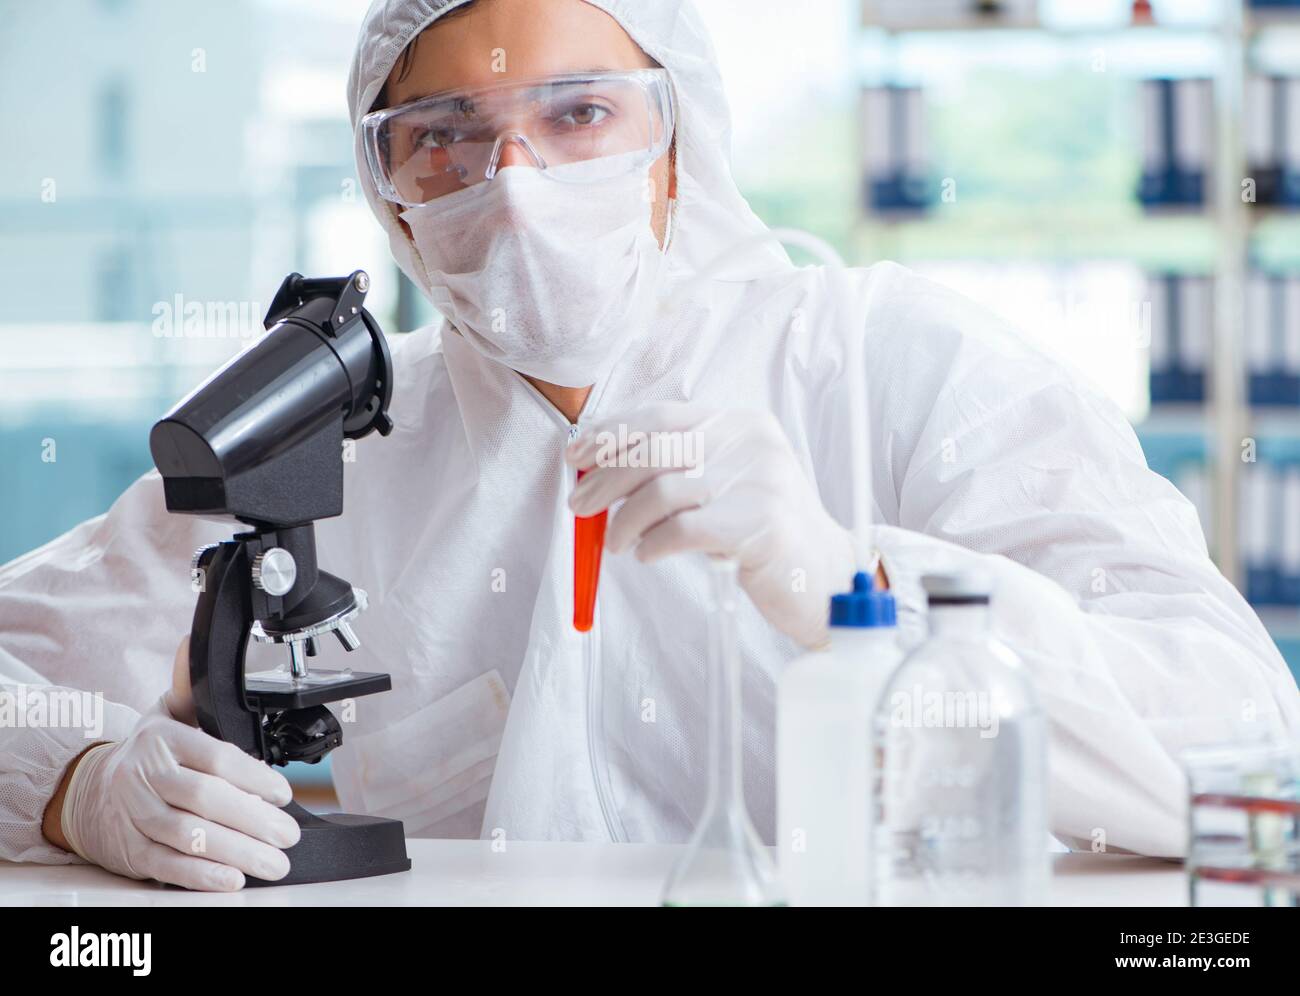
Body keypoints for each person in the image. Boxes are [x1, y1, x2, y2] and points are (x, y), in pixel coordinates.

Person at [1, 0, 1297, 892]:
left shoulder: (895, 366)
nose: (510, 180)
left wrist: (860, 588)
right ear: (392, 205)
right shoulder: (333, 450)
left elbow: (1245, 745)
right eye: (442, 138)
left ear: (676, 148)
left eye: (577, 117)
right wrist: (79, 783)